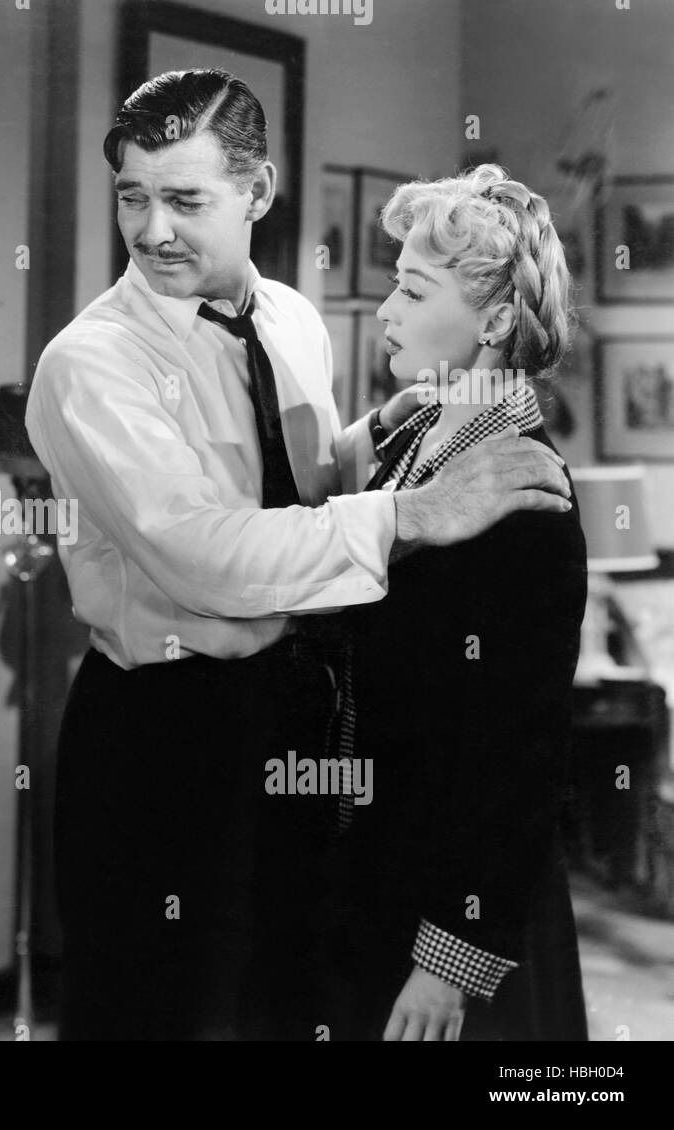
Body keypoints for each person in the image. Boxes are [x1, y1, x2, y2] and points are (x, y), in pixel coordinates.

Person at [24, 69, 573, 1041]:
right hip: (161, 731)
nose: (153, 229)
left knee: (274, 1004)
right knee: (158, 1010)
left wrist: (373, 441)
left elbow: (301, 493)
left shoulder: (292, 321)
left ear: (258, 193)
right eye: (132, 195)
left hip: (286, 732)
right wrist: (412, 511)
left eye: (185, 199)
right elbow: (203, 550)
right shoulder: (89, 363)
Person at [326, 166, 588, 1041]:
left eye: (411, 288)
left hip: (460, 917)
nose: (386, 311)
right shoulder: (415, 436)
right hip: (383, 874)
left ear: (496, 319)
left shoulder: (522, 489)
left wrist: (451, 957)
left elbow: (518, 754)